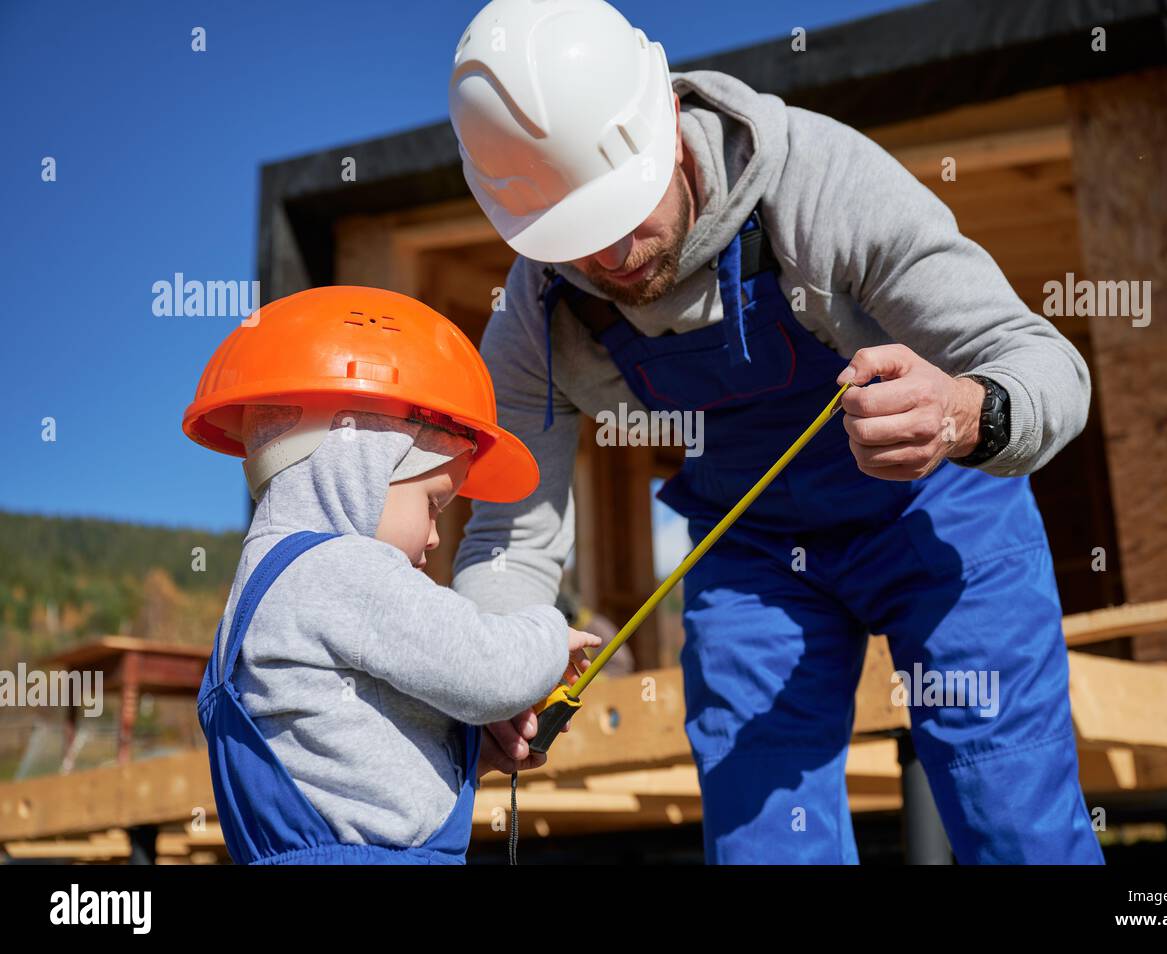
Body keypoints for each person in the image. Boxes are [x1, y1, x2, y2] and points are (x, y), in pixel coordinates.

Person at [447, 0, 1103, 863]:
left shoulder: (821, 184)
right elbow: (510, 536)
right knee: (764, 836)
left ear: (667, 120)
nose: (608, 261)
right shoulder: (537, 314)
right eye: (574, 241)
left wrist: (963, 411)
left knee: (1013, 815)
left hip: (939, 515)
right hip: (754, 552)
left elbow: (1045, 363)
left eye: (625, 213)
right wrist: (495, 671)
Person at [182, 285, 599, 864]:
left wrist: (466, 751)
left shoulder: (266, 590)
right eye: (432, 504)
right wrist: (550, 636)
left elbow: (350, 756)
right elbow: (486, 666)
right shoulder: (340, 570)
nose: (433, 536)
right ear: (362, 461)